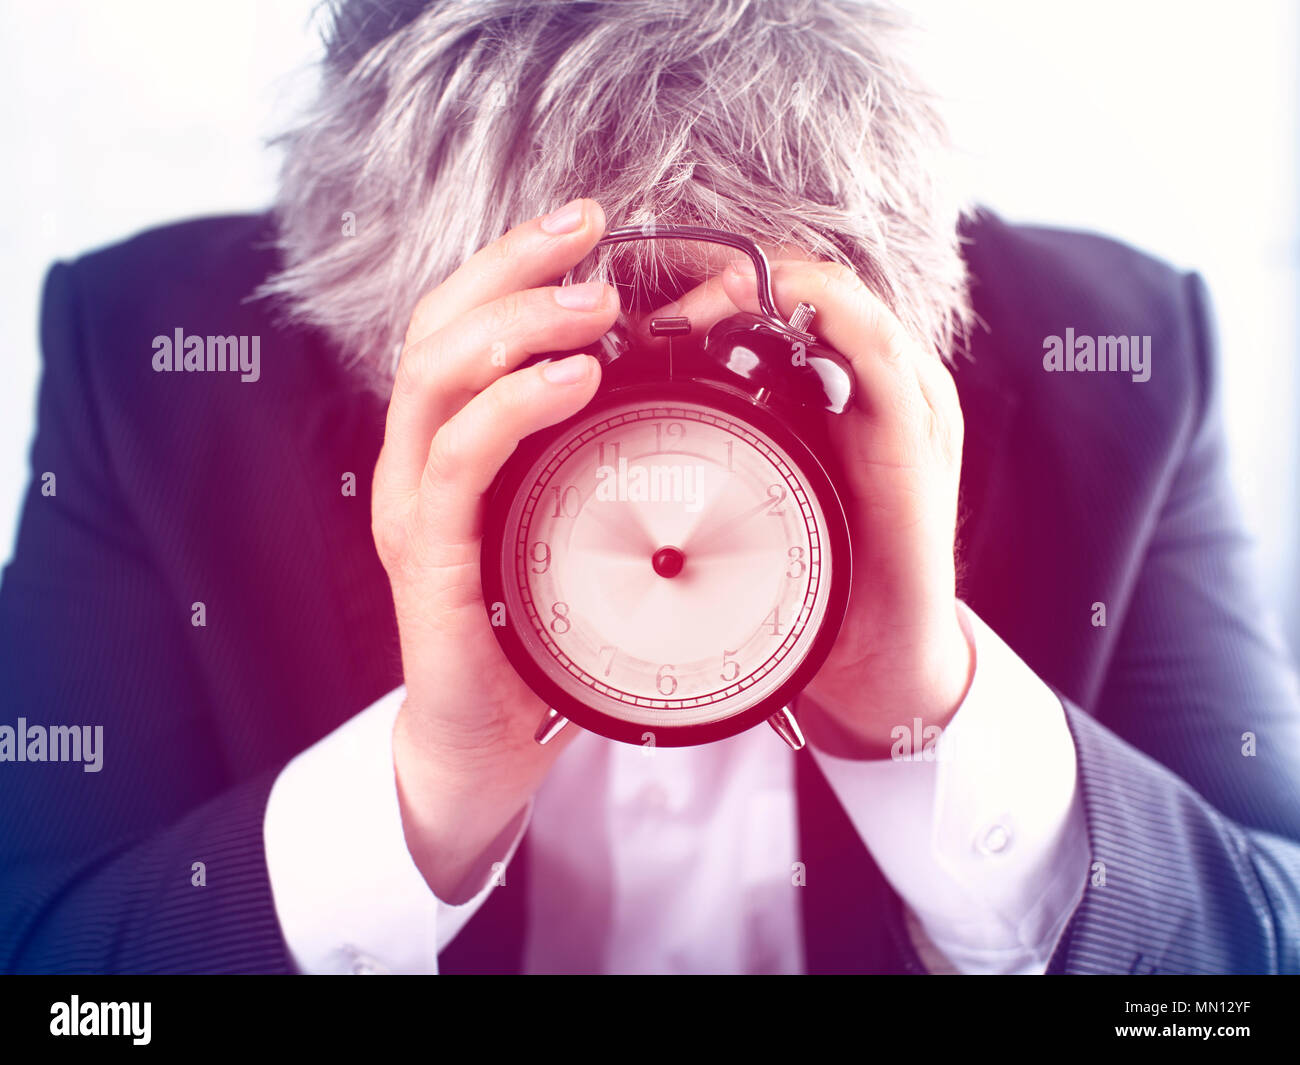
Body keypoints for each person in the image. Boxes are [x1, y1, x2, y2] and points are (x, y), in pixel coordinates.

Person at [2, 0, 1298, 975]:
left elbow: (1262, 945)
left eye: (737, 355)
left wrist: (933, 715)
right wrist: (420, 795)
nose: (654, 427)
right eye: (564, 357)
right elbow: (49, 964)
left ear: (884, 283)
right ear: (382, 326)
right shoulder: (149, 369)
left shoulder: (1123, 362)